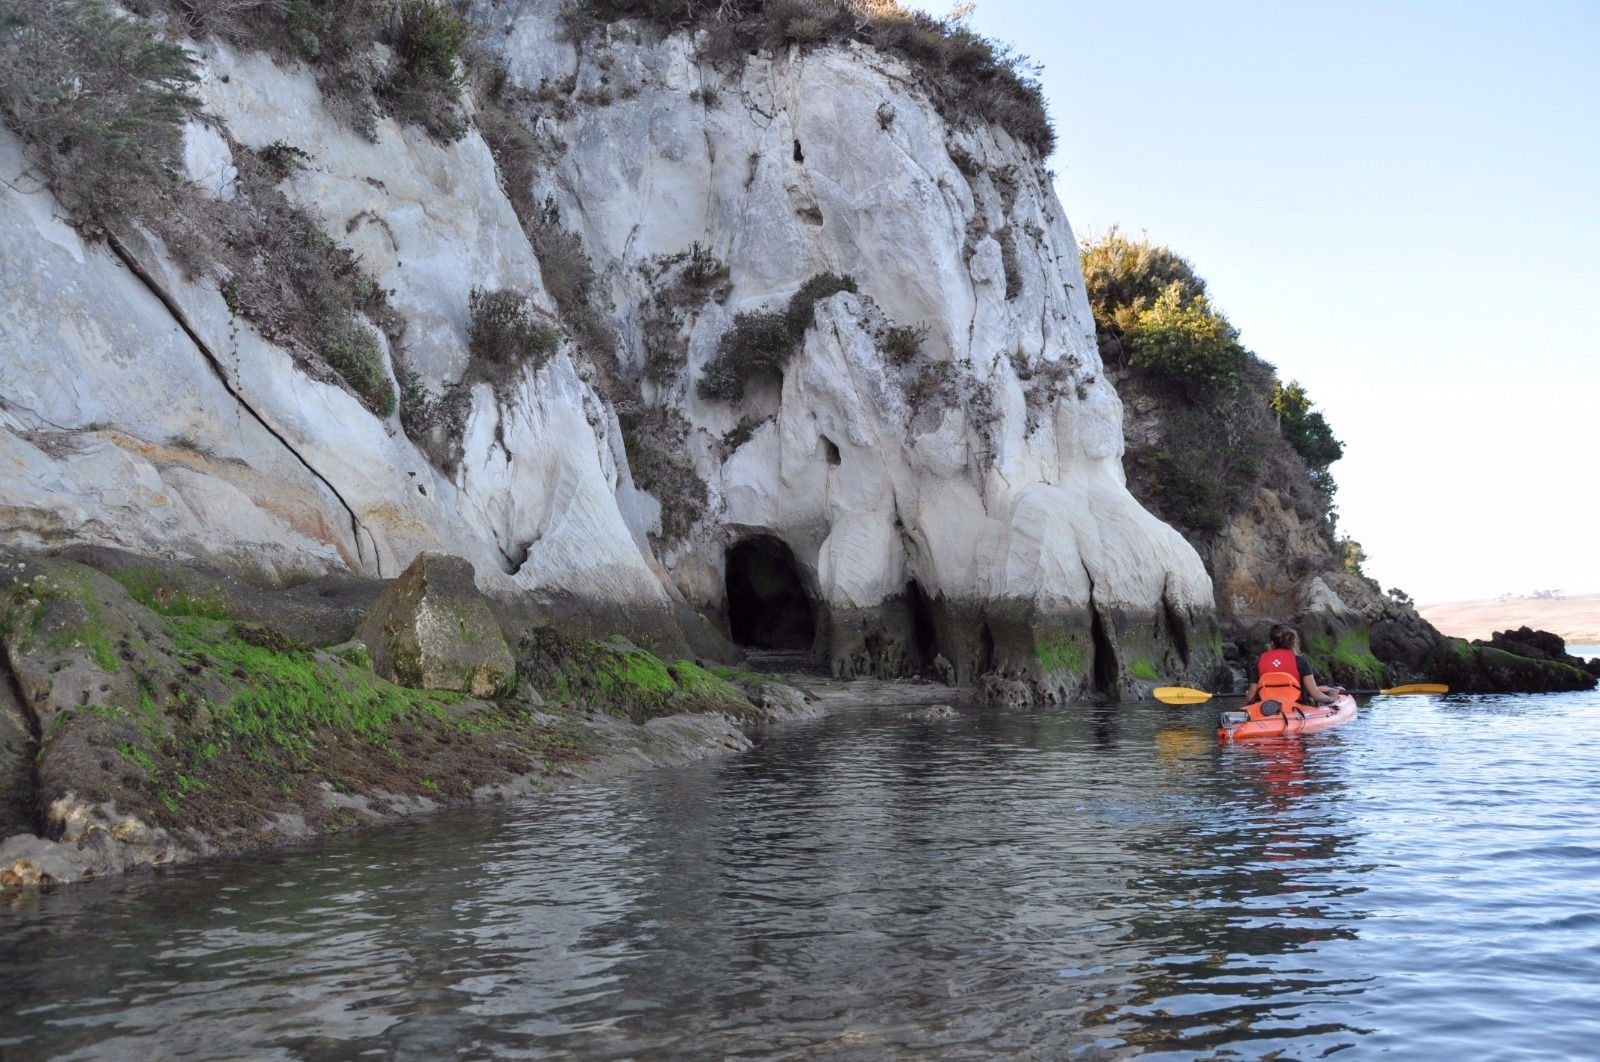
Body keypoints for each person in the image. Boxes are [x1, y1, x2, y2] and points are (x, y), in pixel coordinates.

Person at [1242, 624, 1342, 708]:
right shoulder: (1301, 662)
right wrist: (1332, 698)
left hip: (1267, 709)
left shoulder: (1259, 662)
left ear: (1271, 643)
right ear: (1291, 643)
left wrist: (1249, 694)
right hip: (1296, 708)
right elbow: (1316, 695)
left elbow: (1251, 698)